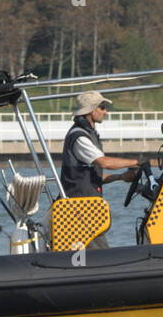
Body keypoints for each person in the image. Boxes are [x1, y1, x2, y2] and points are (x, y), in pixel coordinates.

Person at [60, 91, 144, 249]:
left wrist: (121, 177)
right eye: (103, 107)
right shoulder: (80, 137)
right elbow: (103, 162)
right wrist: (137, 161)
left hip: (87, 209)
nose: (105, 112)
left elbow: (93, 175)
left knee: (98, 253)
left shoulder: (87, 134)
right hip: (79, 212)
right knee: (98, 255)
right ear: (92, 110)